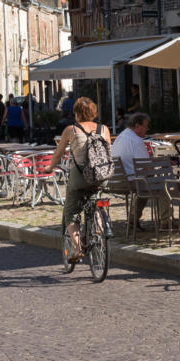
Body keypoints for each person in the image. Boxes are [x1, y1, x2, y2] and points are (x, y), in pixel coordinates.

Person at [50, 95, 112, 261]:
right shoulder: (104, 129)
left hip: (80, 176)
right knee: (94, 198)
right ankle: (99, 229)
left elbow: (59, 153)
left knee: (71, 211)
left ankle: (77, 249)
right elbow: (108, 153)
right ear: (93, 112)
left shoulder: (71, 130)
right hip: (101, 175)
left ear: (76, 113)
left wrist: (49, 167)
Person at [111, 111, 161, 230]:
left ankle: (133, 219)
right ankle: (166, 221)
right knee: (160, 186)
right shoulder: (136, 140)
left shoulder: (120, 137)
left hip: (115, 181)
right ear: (137, 126)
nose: (147, 129)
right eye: (145, 126)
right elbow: (147, 166)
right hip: (130, 181)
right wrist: (160, 166)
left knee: (146, 183)